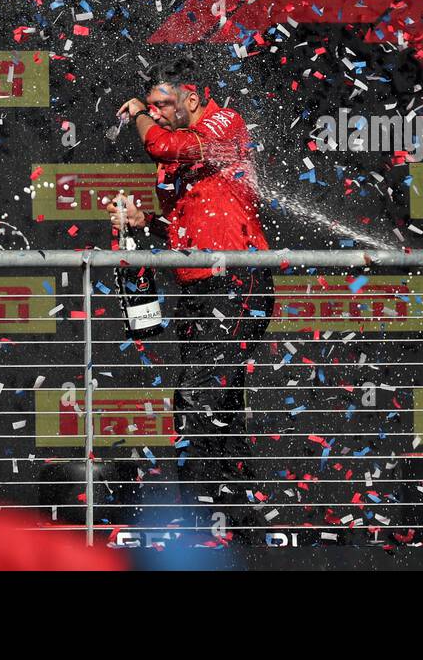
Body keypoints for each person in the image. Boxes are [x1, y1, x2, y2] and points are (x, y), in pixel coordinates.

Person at [111, 76, 271, 545]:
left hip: (239, 282)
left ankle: (218, 531)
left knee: (202, 401)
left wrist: (137, 111)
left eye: (163, 104)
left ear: (193, 100)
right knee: (206, 405)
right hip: (196, 288)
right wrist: (147, 223)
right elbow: (186, 230)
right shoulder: (173, 163)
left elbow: (161, 144)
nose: (156, 113)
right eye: (152, 106)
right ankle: (225, 530)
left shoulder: (223, 122)